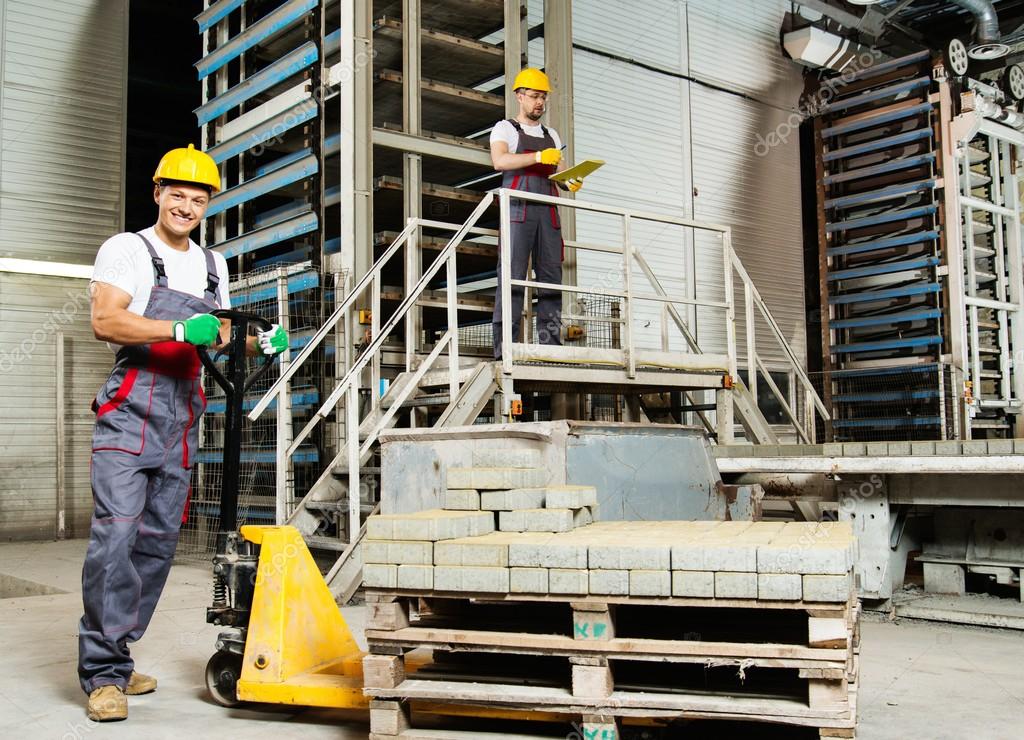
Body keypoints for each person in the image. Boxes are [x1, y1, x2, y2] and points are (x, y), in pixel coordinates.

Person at [79, 144, 289, 721]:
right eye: (177, 194)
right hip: (129, 413)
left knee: (155, 545)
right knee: (116, 540)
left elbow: (215, 334)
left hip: (182, 417)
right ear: (157, 192)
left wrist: (255, 341)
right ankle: (101, 674)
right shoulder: (128, 249)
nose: (186, 206)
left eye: (198, 199)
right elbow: (105, 320)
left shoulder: (213, 265)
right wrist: (176, 325)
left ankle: (117, 656)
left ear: (207, 204)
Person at [490, 67, 583, 359]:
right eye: (533, 96)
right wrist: (538, 157)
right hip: (518, 210)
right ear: (520, 97)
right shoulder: (504, 129)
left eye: (542, 97)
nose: (539, 102)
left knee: (550, 279)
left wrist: (572, 180)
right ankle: (505, 348)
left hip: (548, 211)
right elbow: (499, 160)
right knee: (513, 276)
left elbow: (560, 173)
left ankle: (550, 349)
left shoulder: (551, 134)